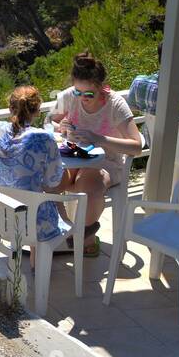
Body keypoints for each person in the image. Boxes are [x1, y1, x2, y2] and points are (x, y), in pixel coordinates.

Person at [46, 52, 143, 258]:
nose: (82, 99)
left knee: (87, 185)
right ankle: (67, 230)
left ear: (101, 87)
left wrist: (98, 138)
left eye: (88, 94)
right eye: (77, 92)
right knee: (49, 183)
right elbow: (48, 122)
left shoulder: (115, 104)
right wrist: (60, 126)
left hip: (106, 161)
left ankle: (81, 237)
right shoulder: (69, 96)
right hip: (73, 156)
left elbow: (136, 146)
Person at [0, 86, 67, 244]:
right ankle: (73, 238)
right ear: (37, 110)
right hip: (31, 223)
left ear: (10, 108)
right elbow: (53, 183)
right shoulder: (43, 138)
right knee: (48, 197)